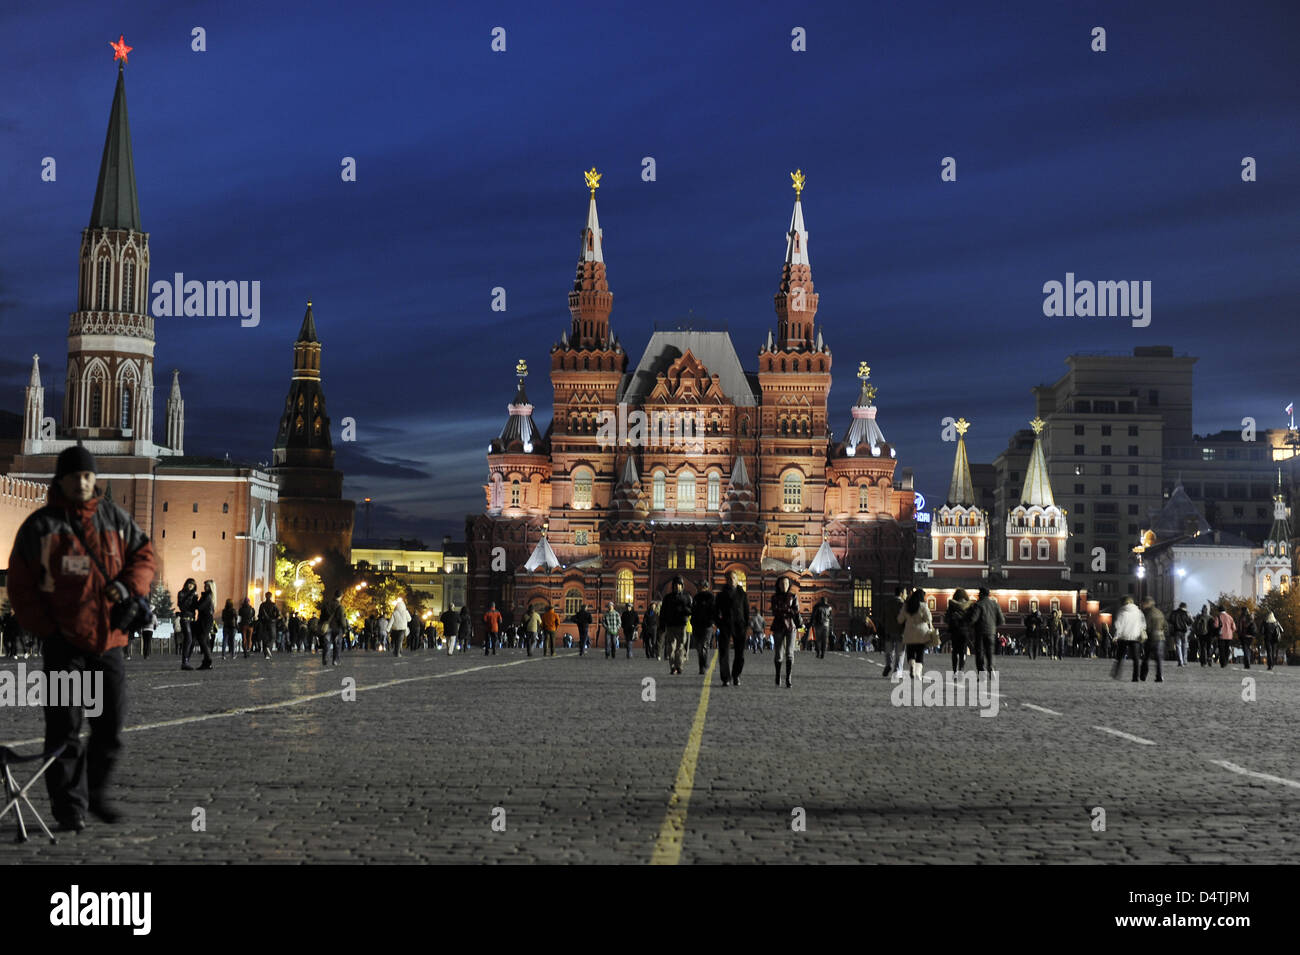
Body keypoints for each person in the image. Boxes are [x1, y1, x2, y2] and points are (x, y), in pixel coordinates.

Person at [7, 445, 156, 831]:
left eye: (88, 476)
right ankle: (68, 807)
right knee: (64, 730)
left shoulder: (115, 519)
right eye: (75, 476)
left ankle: (96, 793)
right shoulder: (41, 527)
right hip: (63, 647)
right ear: (62, 480)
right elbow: (21, 584)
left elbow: (144, 556)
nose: (83, 482)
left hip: (108, 643)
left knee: (110, 727)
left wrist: (126, 588)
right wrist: (46, 628)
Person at [714, 570, 748, 687]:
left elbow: (746, 611)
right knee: (723, 653)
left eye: (733, 578)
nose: (731, 580)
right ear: (726, 580)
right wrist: (719, 623)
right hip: (725, 625)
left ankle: (736, 675)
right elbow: (715, 611)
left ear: (737, 580)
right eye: (729, 578)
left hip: (739, 625)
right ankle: (725, 678)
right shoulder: (721, 595)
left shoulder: (742, 594)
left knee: (740, 653)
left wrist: (745, 625)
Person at [898, 587, 934, 680]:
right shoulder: (923, 605)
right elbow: (928, 619)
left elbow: (900, 619)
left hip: (909, 633)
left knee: (910, 653)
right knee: (920, 653)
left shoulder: (906, 605)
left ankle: (912, 665)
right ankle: (918, 673)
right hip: (922, 633)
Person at [770, 576, 799, 688]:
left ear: (789, 585)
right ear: (778, 585)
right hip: (778, 626)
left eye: (786, 583)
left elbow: (796, 611)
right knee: (778, 653)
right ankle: (778, 675)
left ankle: (788, 678)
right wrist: (787, 610)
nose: (784, 586)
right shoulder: (774, 597)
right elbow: (774, 611)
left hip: (791, 627)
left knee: (789, 653)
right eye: (782, 583)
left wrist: (784, 609)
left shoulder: (793, 596)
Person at [969, 587, 1004, 678]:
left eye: (979, 593)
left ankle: (982, 673)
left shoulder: (979, 604)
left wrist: (969, 623)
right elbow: (1001, 620)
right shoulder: (995, 604)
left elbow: (973, 619)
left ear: (981, 594)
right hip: (991, 632)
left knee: (980, 652)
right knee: (990, 652)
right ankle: (991, 668)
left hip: (980, 632)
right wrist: (993, 625)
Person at [660, 577, 692, 676]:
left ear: (682, 586)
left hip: (682, 624)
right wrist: (662, 625)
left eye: (679, 584)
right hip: (670, 625)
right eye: (675, 585)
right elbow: (663, 612)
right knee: (671, 647)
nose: (677, 586)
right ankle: (673, 666)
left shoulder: (687, 597)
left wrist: (685, 609)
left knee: (681, 646)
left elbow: (691, 610)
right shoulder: (667, 598)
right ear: (673, 586)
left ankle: (679, 665)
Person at [1112, 596, 1145, 682]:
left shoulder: (1121, 611)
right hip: (1135, 637)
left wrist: (1116, 636)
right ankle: (1135, 677)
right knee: (1136, 659)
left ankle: (1116, 674)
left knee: (1119, 656)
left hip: (1124, 637)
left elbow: (1118, 625)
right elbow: (1143, 625)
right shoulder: (1138, 612)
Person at [690, 579, 716, 675]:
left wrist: (712, 621)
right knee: (698, 647)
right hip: (697, 625)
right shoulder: (696, 597)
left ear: (705, 586)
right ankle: (703, 664)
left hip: (706, 626)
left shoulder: (710, 597)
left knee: (704, 646)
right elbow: (693, 610)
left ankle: (702, 666)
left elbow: (714, 610)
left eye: (699, 585)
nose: (697, 587)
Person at [945, 588, 974, 674]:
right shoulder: (969, 605)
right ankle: (961, 669)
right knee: (963, 651)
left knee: (955, 651)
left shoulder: (952, 604)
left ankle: (954, 671)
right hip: (965, 631)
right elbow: (971, 618)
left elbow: (947, 617)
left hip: (954, 630)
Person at [880, 586, 905, 678]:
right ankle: (897, 670)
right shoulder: (902, 604)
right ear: (901, 593)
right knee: (899, 652)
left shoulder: (887, 603)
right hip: (900, 631)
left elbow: (882, 617)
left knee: (888, 650)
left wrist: (885, 626)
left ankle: (888, 665)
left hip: (888, 630)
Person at [1139, 597, 1166, 682]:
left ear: (1147, 603)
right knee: (1158, 659)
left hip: (1151, 638)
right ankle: (1159, 676)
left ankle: (1143, 675)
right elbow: (1165, 625)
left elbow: (1147, 626)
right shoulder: (1159, 612)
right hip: (1161, 638)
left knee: (1146, 658)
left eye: (1143, 603)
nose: (1142, 605)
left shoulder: (1148, 613)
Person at [191, 582, 216, 671]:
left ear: (211, 587)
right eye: (205, 585)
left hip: (206, 620)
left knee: (202, 639)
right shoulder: (207, 596)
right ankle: (206, 662)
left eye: (207, 586)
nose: (205, 587)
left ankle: (208, 660)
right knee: (204, 640)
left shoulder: (207, 596)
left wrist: (195, 599)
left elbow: (200, 607)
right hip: (203, 619)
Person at [175, 578, 199, 668]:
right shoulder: (181, 593)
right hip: (185, 618)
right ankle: (184, 662)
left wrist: (197, 598)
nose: (191, 586)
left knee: (192, 641)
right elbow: (183, 606)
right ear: (186, 584)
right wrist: (191, 595)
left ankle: (187, 660)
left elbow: (196, 607)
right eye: (189, 583)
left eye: (192, 584)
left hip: (192, 619)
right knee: (188, 639)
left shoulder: (194, 594)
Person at [322, 590, 346, 666]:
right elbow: (342, 619)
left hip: (328, 627)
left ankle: (325, 659)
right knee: (337, 644)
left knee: (327, 643)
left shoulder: (327, 604)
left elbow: (322, 616)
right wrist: (344, 628)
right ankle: (336, 660)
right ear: (341, 596)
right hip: (337, 628)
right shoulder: (340, 606)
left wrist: (321, 624)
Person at [1169, 602, 1192, 667]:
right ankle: (1184, 660)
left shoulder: (1174, 612)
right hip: (1184, 631)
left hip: (1176, 631)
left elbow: (1170, 620)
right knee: (1184, 646)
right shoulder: (1187, 613)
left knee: (1178, 646)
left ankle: (1180, 661)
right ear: (1185, 607)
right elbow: (1190, 622)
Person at [257, 592, 278, 660]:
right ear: (271, 596)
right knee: (272, 637)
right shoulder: (273, 604)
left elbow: (259, 615)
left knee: (264, 638)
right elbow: (278, 614)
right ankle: (269, 648)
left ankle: (266, 654)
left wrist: (261, 621)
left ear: (265, 596)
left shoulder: (262, 605)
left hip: (264, 623)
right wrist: (274, 619)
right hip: (271, 623)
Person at [810, 595, 832, 659]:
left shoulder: (817, 606)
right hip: (826, 625)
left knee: (817, 639)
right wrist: (831, 627)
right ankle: (823, 653)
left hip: (818, 624)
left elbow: (813, 615)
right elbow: (830, 617)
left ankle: (818, 652)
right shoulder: (829, 607)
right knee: (824, 640)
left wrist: (811, 623)